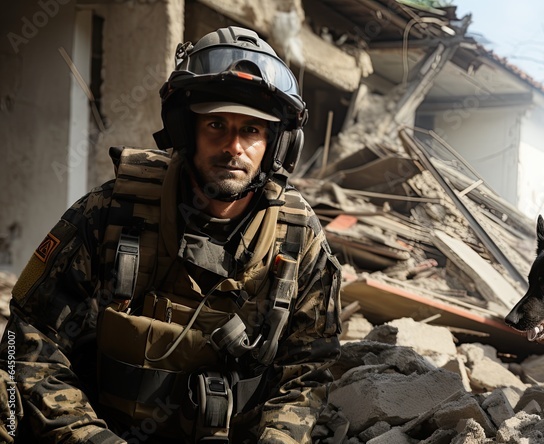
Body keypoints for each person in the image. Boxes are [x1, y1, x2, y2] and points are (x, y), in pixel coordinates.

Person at [5, 27, 342, 443]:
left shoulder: (298, 237)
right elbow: (28, 336)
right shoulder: (111, 209)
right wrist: (87, 436)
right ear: (185, 130)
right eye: (216, 124)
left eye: (252, 131)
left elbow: (309, 370)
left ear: (277, 145)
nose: (234, 147)